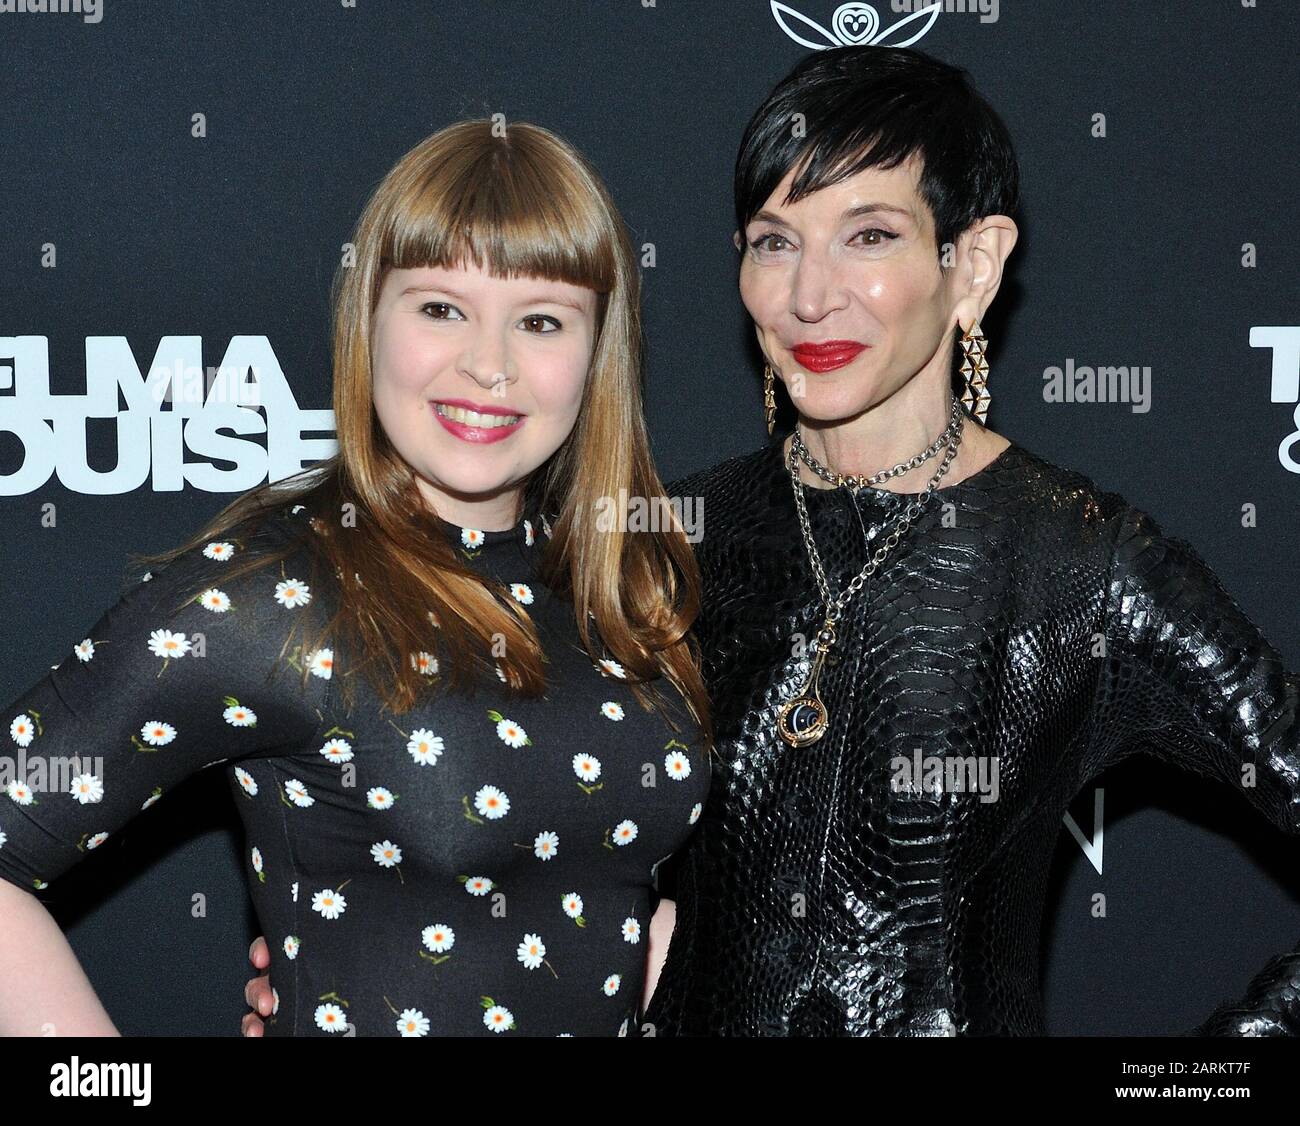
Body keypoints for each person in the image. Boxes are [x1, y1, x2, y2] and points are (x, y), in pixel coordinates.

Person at [244, 45, 1300, 1038]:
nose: (808, 294)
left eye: (870, 236)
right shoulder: (661, 544)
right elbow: (510, 840)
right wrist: (347, 961)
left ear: (970, 264)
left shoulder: (1083, 565)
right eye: (774, 241)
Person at [0, 119, 711, 1037]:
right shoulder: (275, 590)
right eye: (440, 307)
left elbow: (607, 903)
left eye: (540, 320)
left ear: (596, 353)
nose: (488, 365)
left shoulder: (622, 587)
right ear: (368, 318)